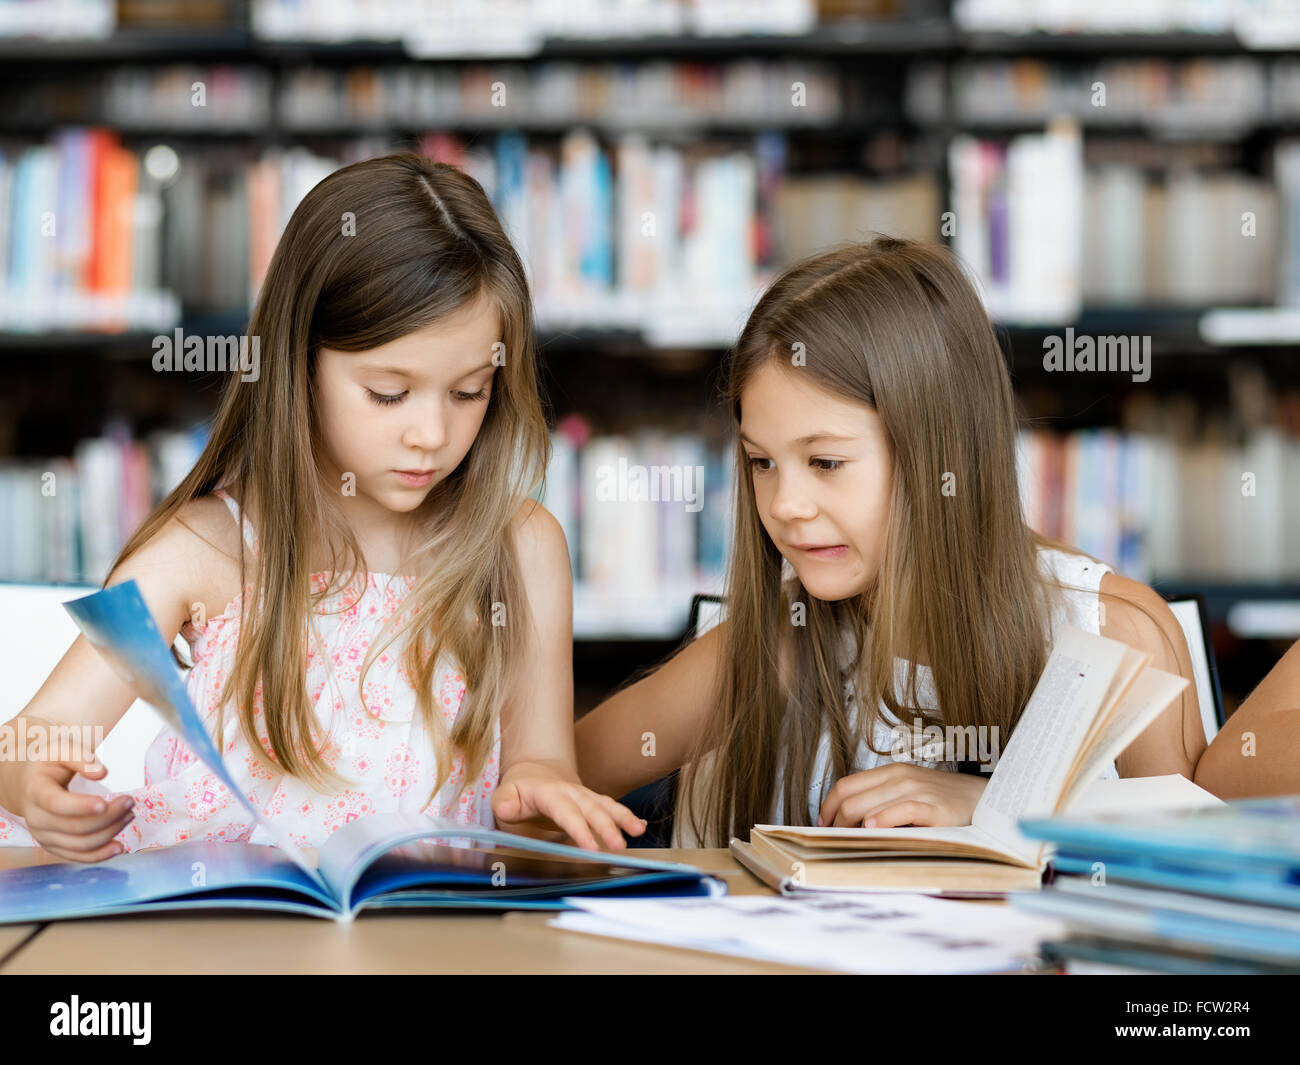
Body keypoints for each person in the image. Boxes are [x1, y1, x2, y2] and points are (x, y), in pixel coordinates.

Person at [0, 153, 644, 862]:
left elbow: (541, 763)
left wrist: (543, 790)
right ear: (298, 364)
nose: (430, 434)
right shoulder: (204, 548)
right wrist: (31, 784)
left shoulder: (520, 549)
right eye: (388, 393)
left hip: (422, 946)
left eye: (468, 392)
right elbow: (33, 736)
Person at [576, 237, 1206, 847]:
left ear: (942, 455)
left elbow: (1204, 862)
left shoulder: (1113, 631)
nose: (784, 506)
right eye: (760, 462)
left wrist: (997, 809)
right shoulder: (775, 643)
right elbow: (555, 779)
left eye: (824, 462)